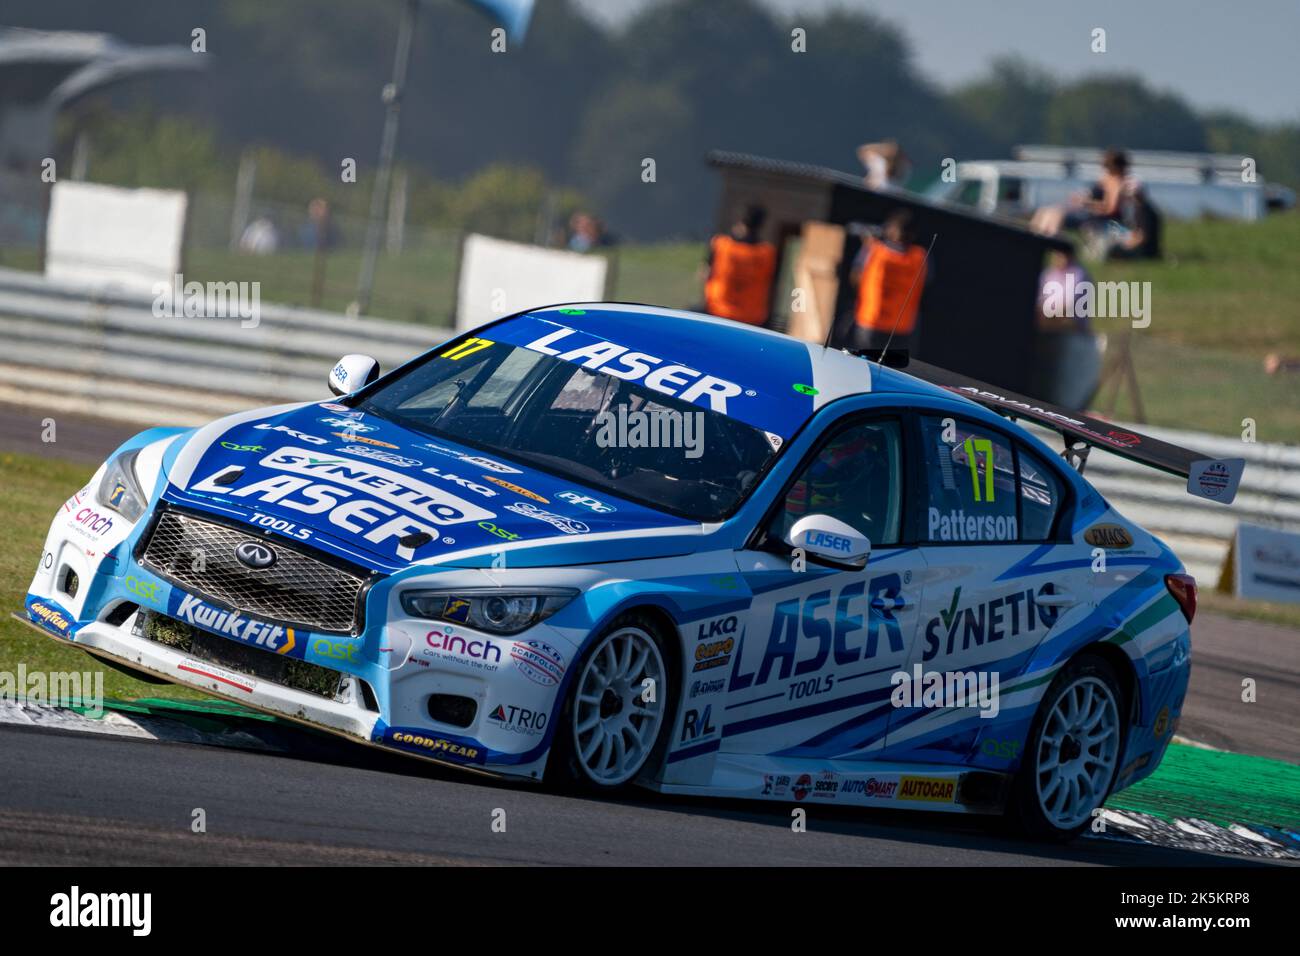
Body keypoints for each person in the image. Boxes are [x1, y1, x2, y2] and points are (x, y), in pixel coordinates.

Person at [846, 208, 929, 353]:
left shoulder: (874, 250)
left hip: (870, 322)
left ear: (891, 230)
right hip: (903, 327)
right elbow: (926, 282)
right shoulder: (920, 257)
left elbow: (856, 278)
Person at [701, 204, 777, 326]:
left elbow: (704, 274)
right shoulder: (767, 253)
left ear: (740, 221)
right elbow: (772, 286)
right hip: (752, 319)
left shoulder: (721, 244)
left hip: (717, 312)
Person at [1030, 148, 1132, 237]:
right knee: (1045, 211)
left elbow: (1110, 209)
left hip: (1098, 218)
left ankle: (1051, 243)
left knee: (1058, 215)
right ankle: (1035, 239)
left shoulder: (1117, 183)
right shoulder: (1107, 179)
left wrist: (1086, 203)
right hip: (1087, 212)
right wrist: (1082, 198)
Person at [1106, 182, 1162, 260]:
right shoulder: (1142, 208)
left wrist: (1127, 245)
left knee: (1112, 250)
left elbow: (1143, 237)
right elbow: (1136, 232)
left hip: (1146, 251)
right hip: (1149, 249)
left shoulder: (1144, 211)